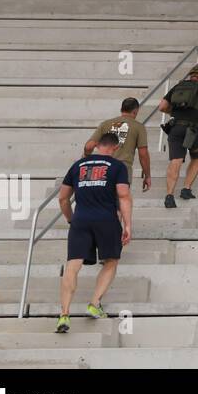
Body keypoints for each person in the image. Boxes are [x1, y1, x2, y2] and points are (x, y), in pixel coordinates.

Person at [55, 132, 132, 333]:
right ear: (115, 148)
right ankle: (94, 303)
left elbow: (63, 198)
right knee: (111, 261)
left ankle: (64, 314)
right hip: (107, 220)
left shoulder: (77, 165)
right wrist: (128, 225)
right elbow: (123, 196)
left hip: (81, 219)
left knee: (72, 266)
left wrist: (71, 219)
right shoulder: (117, 167)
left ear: (97, 145)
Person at [158, 64, 198, 209]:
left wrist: (175, 114)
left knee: (175, 160)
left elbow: (162, 106)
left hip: (175, 128)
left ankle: (169, 195)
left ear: (191, 75)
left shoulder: (178, 86)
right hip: (195, 130)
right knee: (197, 157)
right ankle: (186, 189)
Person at [82, 97, 151, 193]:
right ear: (135, 111)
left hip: (103, 169)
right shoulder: (139, 127)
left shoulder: (105, 124)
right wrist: (147, 175)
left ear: (121, 109)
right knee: (120, 203)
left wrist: (85, 156)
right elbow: (143, 154)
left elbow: (89, 146)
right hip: (122, 170)